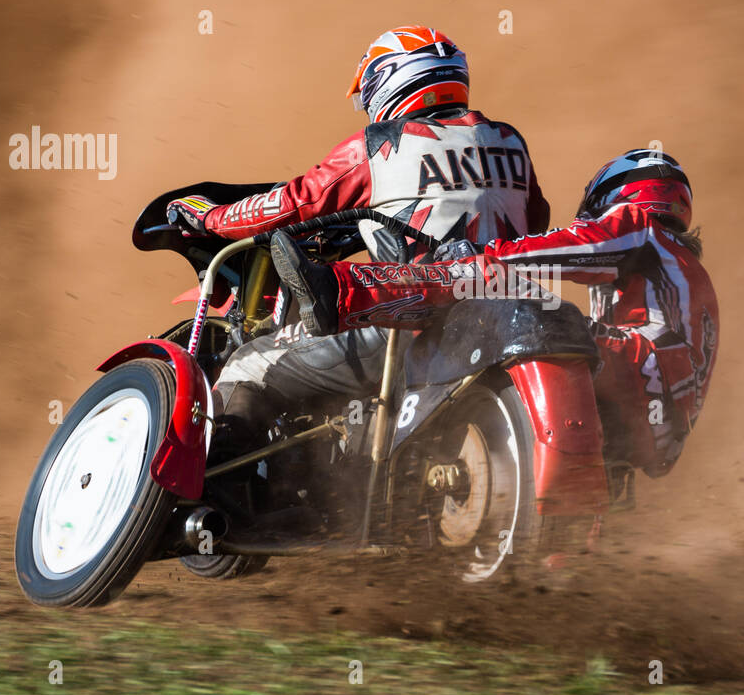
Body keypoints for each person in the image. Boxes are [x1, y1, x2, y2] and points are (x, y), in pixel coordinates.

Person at [164, 26, 550, 456]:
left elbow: (293, 204)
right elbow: (537, 221)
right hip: (508, 312)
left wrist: (208, 216)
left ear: (388, 80)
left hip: (404, 320)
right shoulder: (512, 142)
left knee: (247, 364)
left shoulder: (381, 145)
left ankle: (221, 505)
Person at [271, 149, 719, 478]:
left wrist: (481, 254)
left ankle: (341, 291)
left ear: (619, 195)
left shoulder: (639, 231)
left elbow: (569, 249)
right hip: (660, 425)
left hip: (641, 369)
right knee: (533, 305)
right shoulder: (681, 266)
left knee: (484, 280)